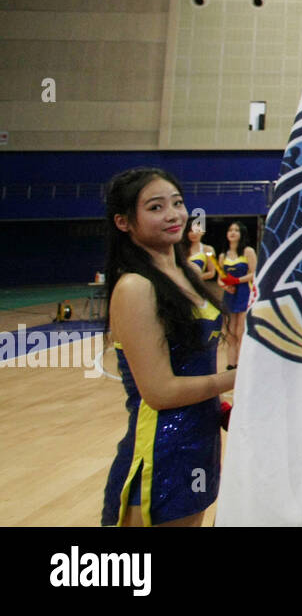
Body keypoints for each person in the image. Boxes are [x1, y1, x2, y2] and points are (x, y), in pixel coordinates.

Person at [101, 167, 234, 527]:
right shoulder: (134, 287)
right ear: (124, 222)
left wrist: (219, 407)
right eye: (156, 207)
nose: (174, 214)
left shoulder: (187, 273)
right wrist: (235, 378)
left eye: (177, 203)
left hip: (201, 443)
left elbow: (191, 366)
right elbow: (159, 392)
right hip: (160, 452)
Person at [218, 221, 256, 369]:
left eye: (236, 230)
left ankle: (243, 365)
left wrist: (237, 280)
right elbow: (220, 278)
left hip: (244, 293)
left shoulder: (248, 251)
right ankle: (231, 364)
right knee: (230, 332)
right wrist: (225, 286)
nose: (233, 232)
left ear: (242, 234)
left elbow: (254, 273)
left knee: (241, 332)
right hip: (230, 294)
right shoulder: (222, 255)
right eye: (230, 230)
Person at [186, 216, 218, 283]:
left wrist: (194, 279)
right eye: (191, 231)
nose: (194, 233)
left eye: (197, 230)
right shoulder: (180, 249)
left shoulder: (209, 250)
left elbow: (212, 273)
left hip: (198, 285)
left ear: (203, 232)